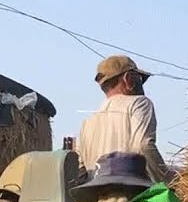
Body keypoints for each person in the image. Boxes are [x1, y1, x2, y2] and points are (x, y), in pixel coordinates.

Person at [75, 55, 175, 184]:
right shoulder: (139, 103)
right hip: (131, 193)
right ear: (128, 79)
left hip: (97, 198)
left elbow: (79, 169)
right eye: (139, 78)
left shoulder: (87, 123)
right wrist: (167, 180)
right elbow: (143, 145)